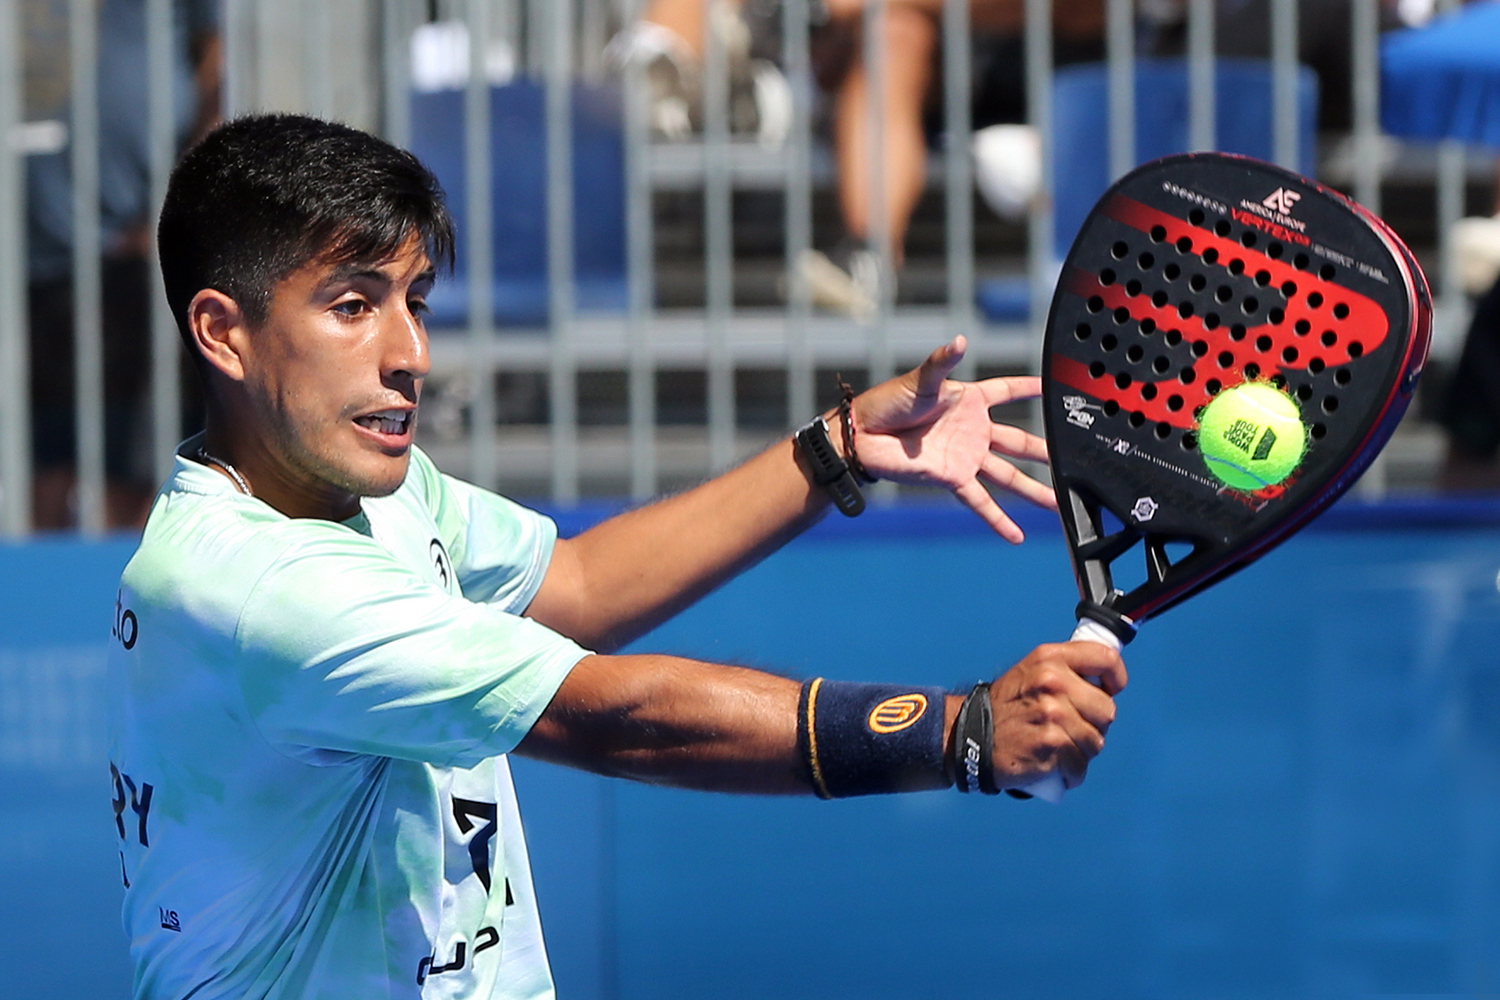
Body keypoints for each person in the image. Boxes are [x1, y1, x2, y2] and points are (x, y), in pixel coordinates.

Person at [108, 113, 1126, 1000]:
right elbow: (609, 714)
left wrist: (836, 447)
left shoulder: (363, 488)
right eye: (352, 304)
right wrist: (963, 730)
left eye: (414, 299)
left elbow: (581, 585)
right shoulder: (260, 589)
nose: (410, 351)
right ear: (223, 334)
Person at [25, 0, 220, 530]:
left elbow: (215, 72)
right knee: (38, 462)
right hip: (25, 248)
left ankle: (119, 598)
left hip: (124, 249)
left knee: (126, 460)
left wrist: (172, 206)